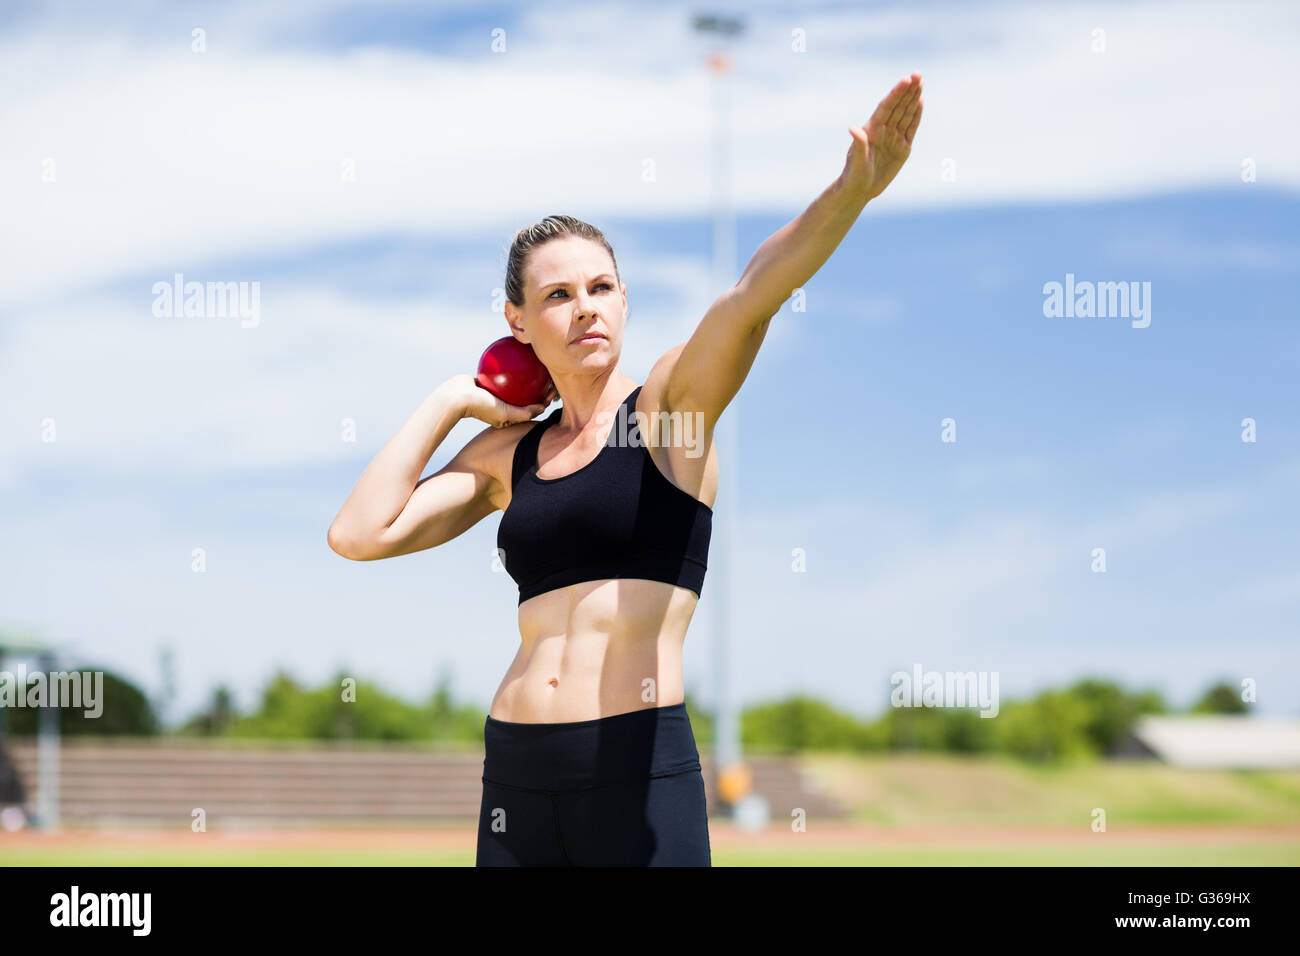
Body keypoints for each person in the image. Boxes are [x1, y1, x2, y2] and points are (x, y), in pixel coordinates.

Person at [328, 73, 923, 866]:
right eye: (559, 295)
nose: (586, 308)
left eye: (602, 287)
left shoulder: (671, 411)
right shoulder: (510, 456)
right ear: (517, 323)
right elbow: (359, 534)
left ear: (625, 301)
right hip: (517, 772)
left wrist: (853, 193)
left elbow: (751, 297)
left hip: (636, 769)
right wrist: (449, 401)